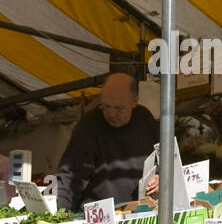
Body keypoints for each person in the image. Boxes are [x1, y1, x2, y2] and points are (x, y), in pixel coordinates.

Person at [55, 73, 158, 211]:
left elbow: (165, 158)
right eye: (106, 107)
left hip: (140, 211)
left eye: (119, 108)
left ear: (135, 101)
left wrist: (159, 177)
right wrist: (60, 214)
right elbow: (69, 176)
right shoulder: (89, 125)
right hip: (99, 216)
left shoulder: (145, 119)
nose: (111, 114)